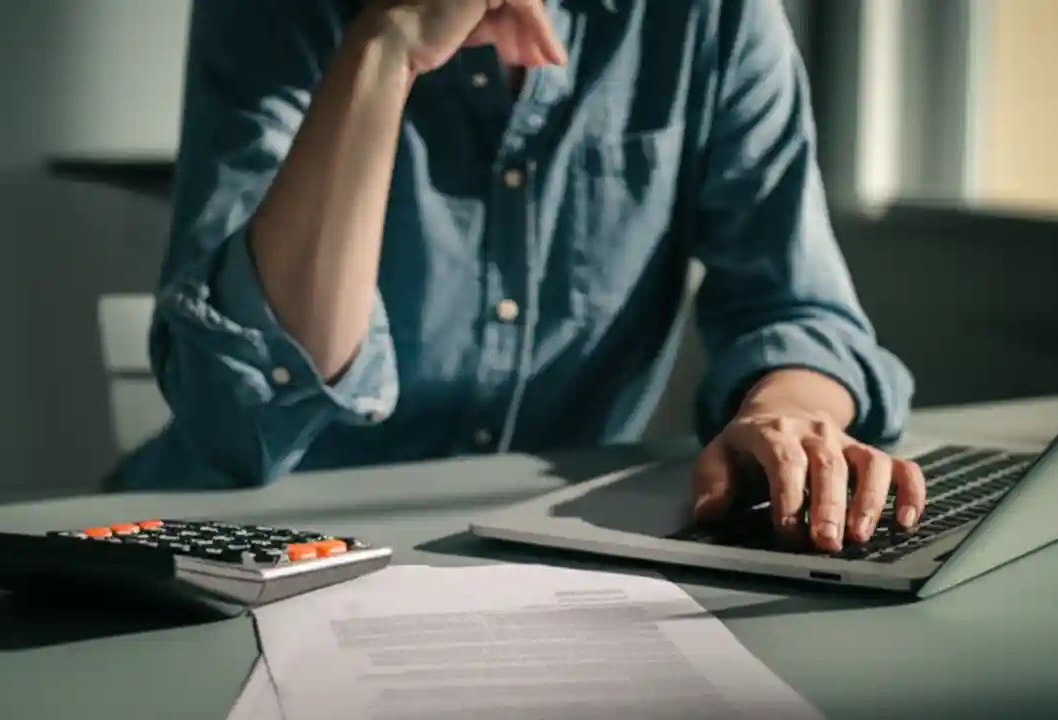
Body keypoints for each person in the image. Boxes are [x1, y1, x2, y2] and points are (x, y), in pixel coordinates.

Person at [117, 0, 927, 554]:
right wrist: (386, 47)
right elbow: (241, 416)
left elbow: (793, 304)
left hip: (556, 558)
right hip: (230, 549)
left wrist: (788, 417)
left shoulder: (711, 16)